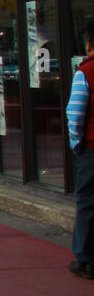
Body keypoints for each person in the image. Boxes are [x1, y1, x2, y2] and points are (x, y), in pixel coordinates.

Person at [66, 19, 94, 279]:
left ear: (88, 44)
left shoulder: (85, 72)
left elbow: (75, 115)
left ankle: (86, 259)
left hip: (92, 150)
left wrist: (77, 144)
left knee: (87, 203)